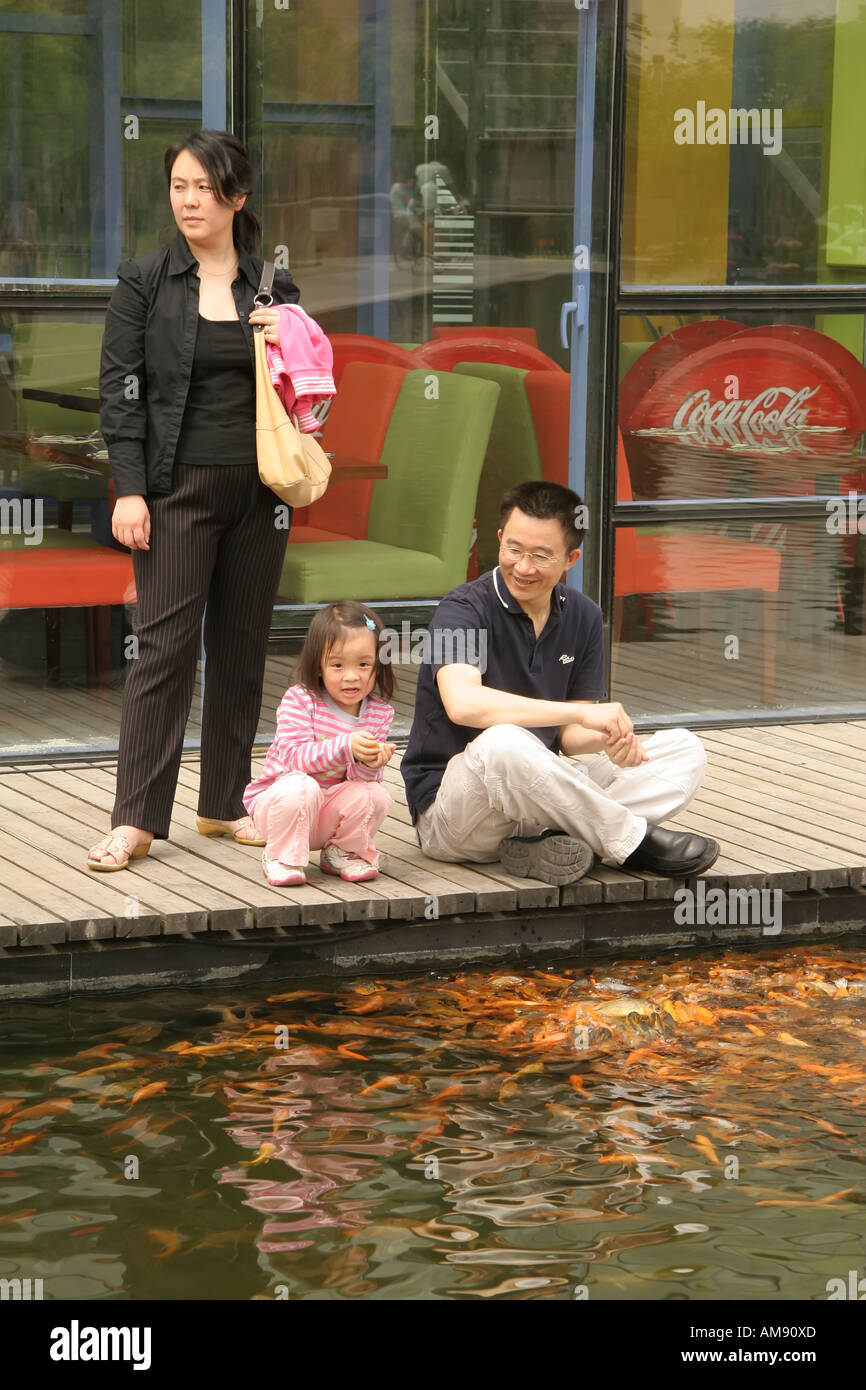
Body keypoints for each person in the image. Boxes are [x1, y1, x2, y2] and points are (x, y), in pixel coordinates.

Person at [87, 129, 300, 870]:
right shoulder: (144, 280)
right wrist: (131, 491)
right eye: (178, 186)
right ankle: (137, 819)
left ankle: (225, 803)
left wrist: (291, 343)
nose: (187, 200)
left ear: (235, 199)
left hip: (261, 491)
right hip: (176, 491)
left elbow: (310, 394)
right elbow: (119, 394)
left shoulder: (272, 286)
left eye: (202, 188)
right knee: (164, 651)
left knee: (241, 649)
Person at [401, 480, 720, 885]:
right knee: (503, 741)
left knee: (684, 749)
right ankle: (632, 841)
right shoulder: (459, 609)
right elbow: (463, 704)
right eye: (513, 549)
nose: (523, 566)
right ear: (499, 539)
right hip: (456, 814)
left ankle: (553, 841)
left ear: (571, 558)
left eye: (540, 555)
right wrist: (579, 714)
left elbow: (569, 737)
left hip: (538, 797)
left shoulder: (584, 616)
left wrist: (609, 739)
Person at [243, 602, 396, 886]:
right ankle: (280, 855)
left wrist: (369, 763)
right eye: (337, 665)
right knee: (302, 785)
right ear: (318, 665)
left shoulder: (379, 713)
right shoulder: (299, 699)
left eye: (364, 664)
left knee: (374, 794)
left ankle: (343, 851)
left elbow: (357, 782)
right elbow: (294, 759)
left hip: (325, 818)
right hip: (281, 809)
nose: (352, 676)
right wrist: (346, 746)